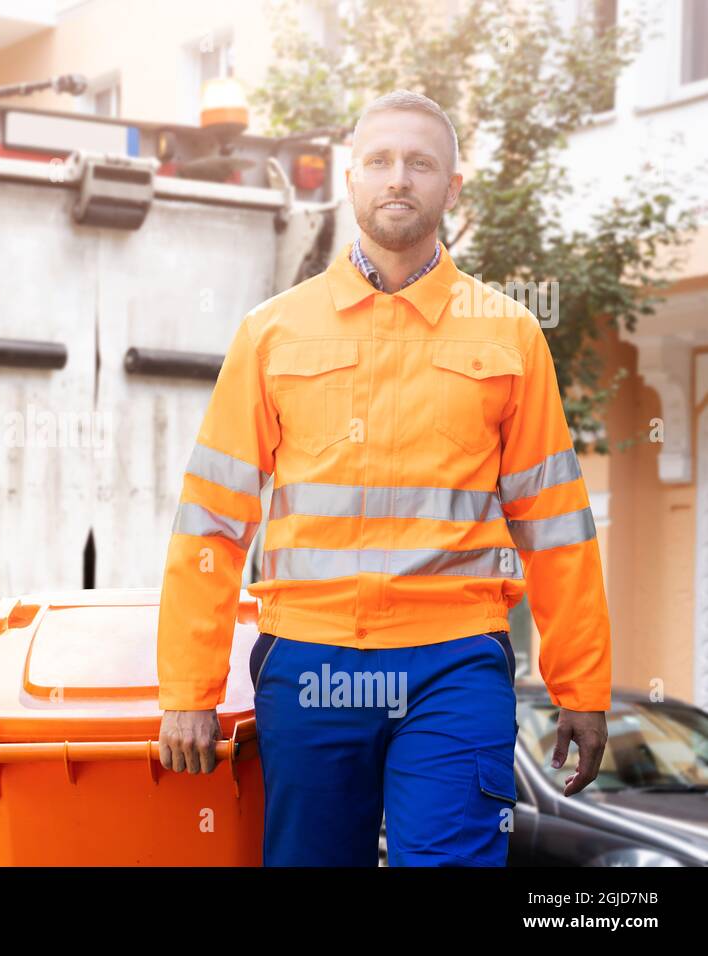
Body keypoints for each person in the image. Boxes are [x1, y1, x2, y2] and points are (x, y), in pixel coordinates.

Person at [155, 89, 611, 866]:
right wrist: (187, 690)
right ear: (351, 178)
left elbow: (555, 522)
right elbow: (211, 521)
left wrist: (583, 686)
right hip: (311, 661)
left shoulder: (509, 336)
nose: (398, 178)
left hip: (454, 661)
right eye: (380, 161)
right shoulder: (272, 334)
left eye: (421, 163)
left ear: (452, 188)